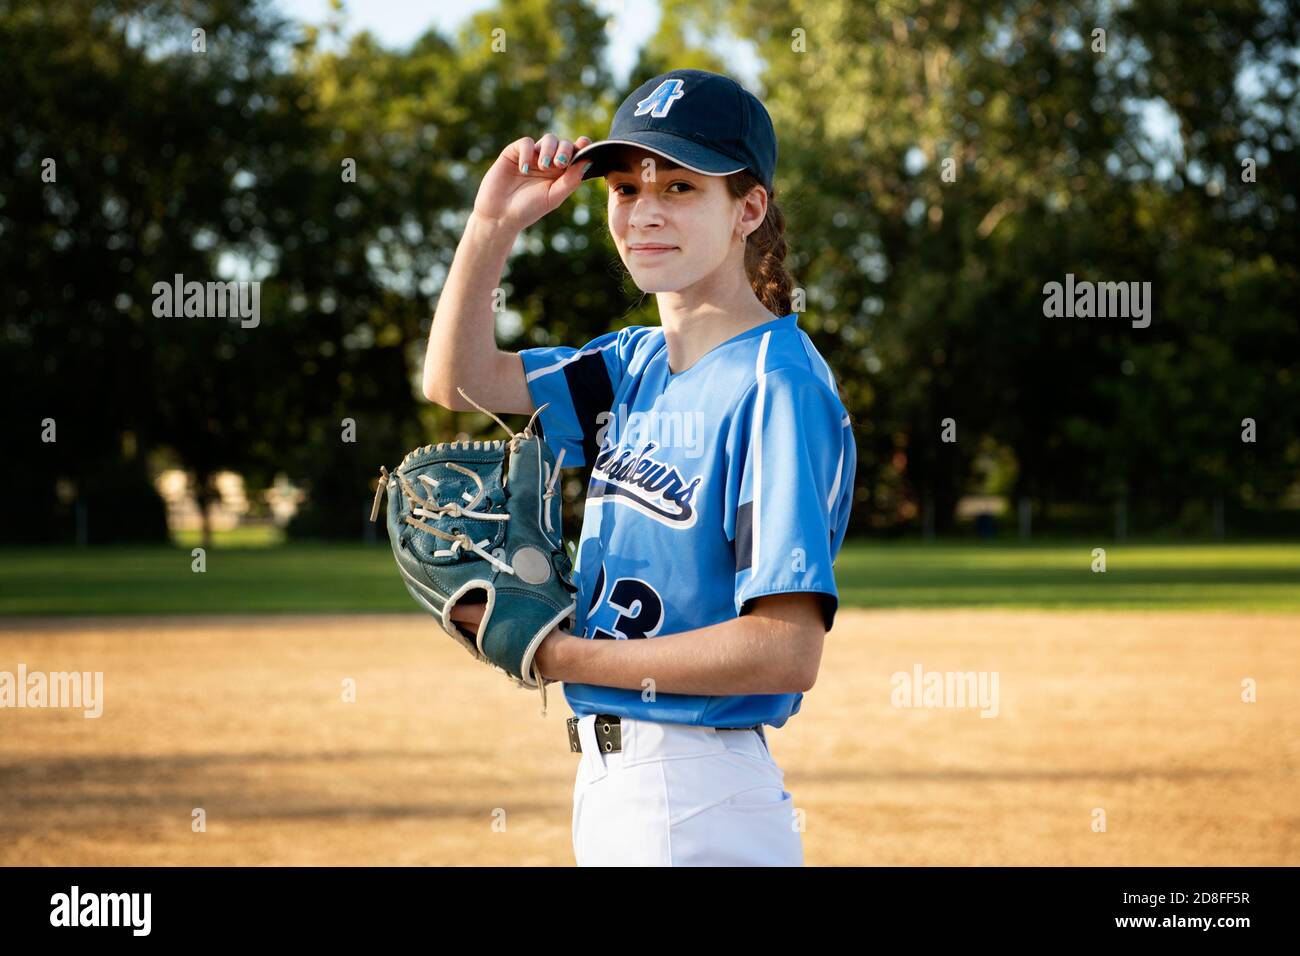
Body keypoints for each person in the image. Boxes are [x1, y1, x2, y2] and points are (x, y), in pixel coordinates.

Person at [423, 68, 856, 866]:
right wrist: (491, 226)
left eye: (681, 187)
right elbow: (454, 380)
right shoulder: (628, 364)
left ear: (748, 209)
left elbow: (785, 651)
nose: (645, 212)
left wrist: (556, 656)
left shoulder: (777, 384)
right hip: (620, 782)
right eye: (625, 188)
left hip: (694, 789)